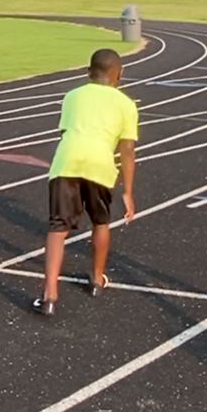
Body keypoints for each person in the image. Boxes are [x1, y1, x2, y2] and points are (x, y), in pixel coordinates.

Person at [33, 49, 138, 316]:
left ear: (89, 72)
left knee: (58, 227)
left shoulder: (72, 96)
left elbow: (64, 132)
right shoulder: (126, 104)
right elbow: (127, 150)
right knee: (100, 222)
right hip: (100, 164)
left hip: (67, 161)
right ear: (119, 74)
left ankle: (49, 295)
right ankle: (96, 279)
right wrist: (128, 191)